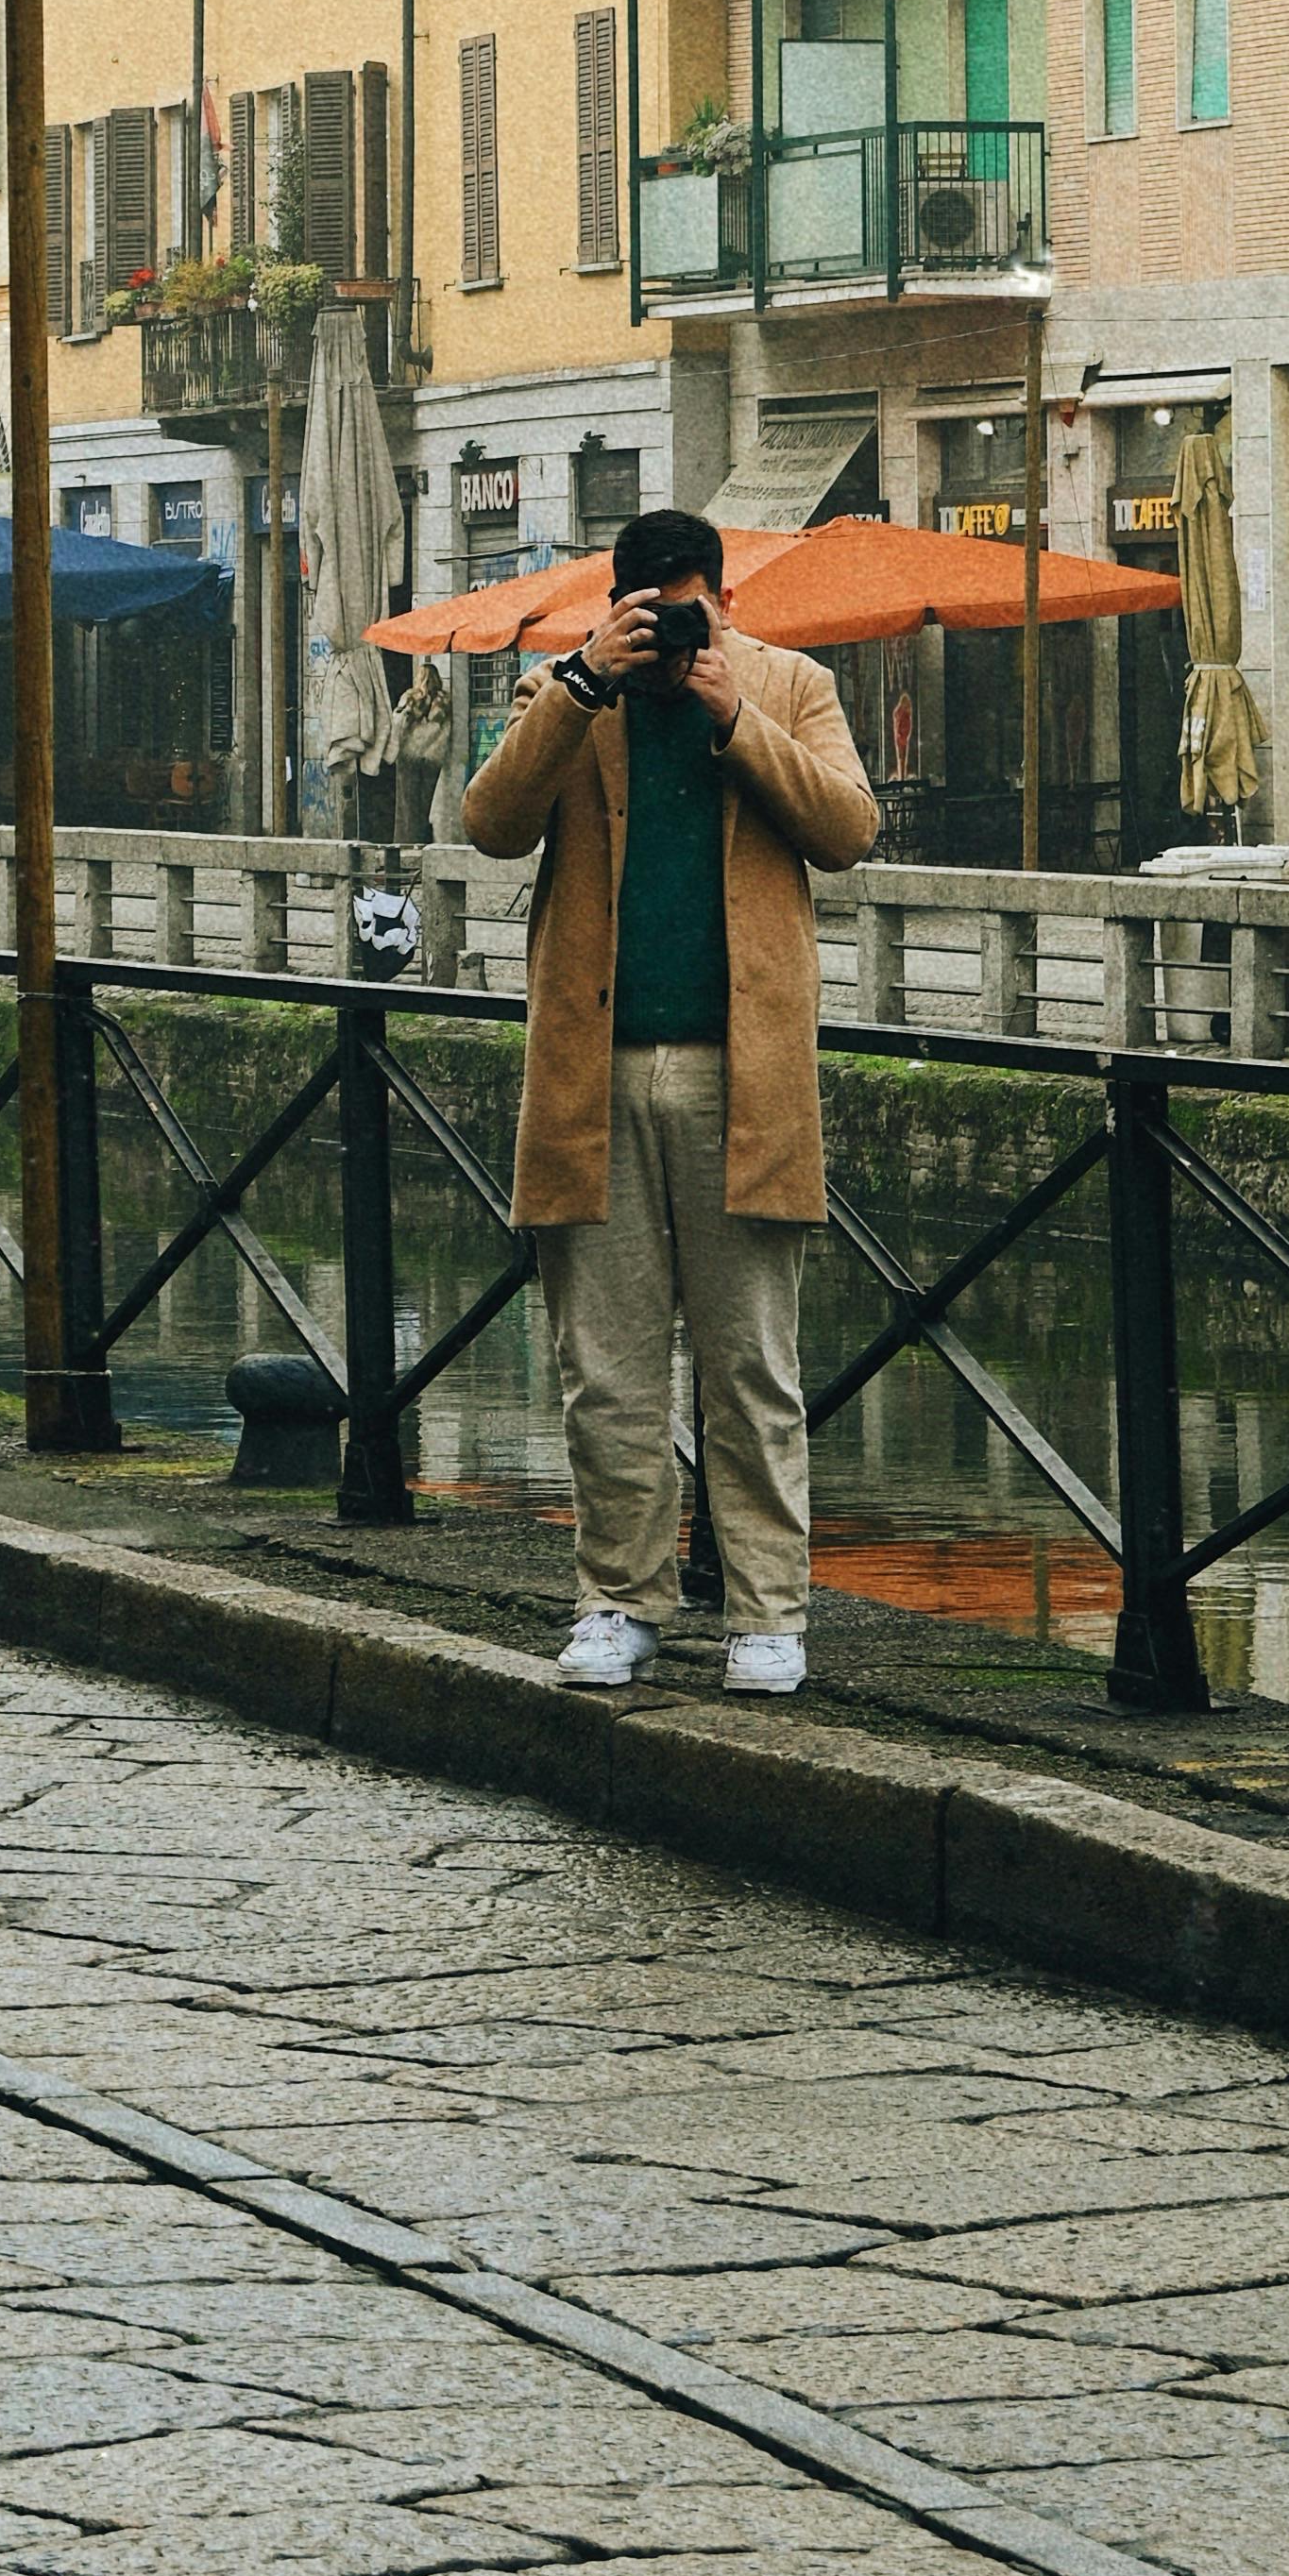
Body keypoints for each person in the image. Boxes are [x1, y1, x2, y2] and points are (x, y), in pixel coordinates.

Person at [460, 509, 880, 1698]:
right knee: (607, 1367)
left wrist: (731, 715)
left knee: (751, 1363)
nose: (679, 632)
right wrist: (583, 682)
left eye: (694, 611)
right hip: (590, 1075)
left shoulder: (788, 685)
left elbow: (848, 830)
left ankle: (767, 1613)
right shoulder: (573, 696)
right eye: (651, 616)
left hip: (742, 1074)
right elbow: (489, 825)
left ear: (725, 600)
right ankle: (617, 1601)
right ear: (615, 608)